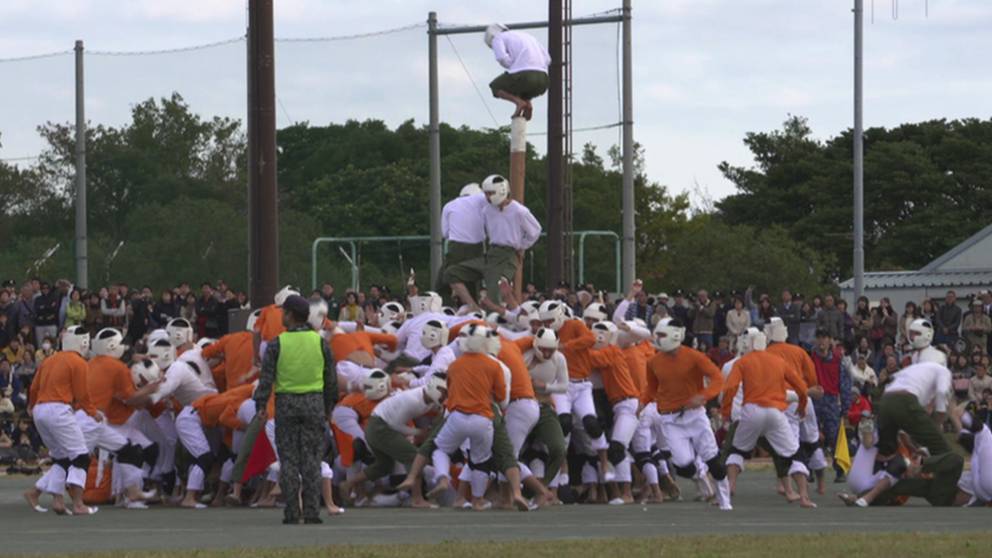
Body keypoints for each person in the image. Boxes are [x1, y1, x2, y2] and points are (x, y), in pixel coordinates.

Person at [252, 294, 337, 524]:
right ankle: (311, 511)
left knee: (288, 460)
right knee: (311, 459)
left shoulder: (277, 343)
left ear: (289, 315)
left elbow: (266, 378)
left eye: (283, 312)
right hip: (314, 404)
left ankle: (291, 511)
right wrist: (329, 407)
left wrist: (261, 405)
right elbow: (331, 379)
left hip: (287, 404)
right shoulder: (320, 342)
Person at [642, 317, 731, 510]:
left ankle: (725, 502)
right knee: (682, 464)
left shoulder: (694, 356)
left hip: (695, 415)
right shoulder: (653, 361)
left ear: (675, 335)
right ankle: (700, 475)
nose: (658, 338)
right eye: (657, 334)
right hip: (670, 418)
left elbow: (717, 378)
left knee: (713, 459)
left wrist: (704, 396)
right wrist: (642, 403)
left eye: (662, 335)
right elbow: (652, 387)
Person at [722, 327, 814, 508]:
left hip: (750, 411)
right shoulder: (778, 362)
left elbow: (730, 388)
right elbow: (801, 387)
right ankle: (803, 496)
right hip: (775, 412)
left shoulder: (742, 362)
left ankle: (729, 488)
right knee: (794, 454)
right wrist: (802, 407)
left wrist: (725, 411)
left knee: (736, 451)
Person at [446, 175, 541, 309]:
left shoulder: (519, 211)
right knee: (452, 272)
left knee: (495, 286)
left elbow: (535, 231)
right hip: (491, 253)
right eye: (486, 194)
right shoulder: (487, 210)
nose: (487, 197)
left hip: (508, 253)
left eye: (490, 193)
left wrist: (521, 246)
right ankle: (474, 307)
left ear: (501, 191)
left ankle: (495, 320)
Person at [484, 23, 550, 120]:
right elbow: (548, 59)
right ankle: (528, 104)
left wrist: (513, 65)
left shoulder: (497, 38)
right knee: (520, 89)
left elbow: (502, 58)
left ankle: (518, 102)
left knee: (495, 86)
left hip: (525, 75)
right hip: (543, 80)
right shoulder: (528, 36)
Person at [437, 183, 487, 295]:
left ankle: (444, 304)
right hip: (477, 248)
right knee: (472, 278)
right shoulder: (481, 201)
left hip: (455, 247)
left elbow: (445, 233)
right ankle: (474, 305)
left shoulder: (449, 205)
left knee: (446, 276)